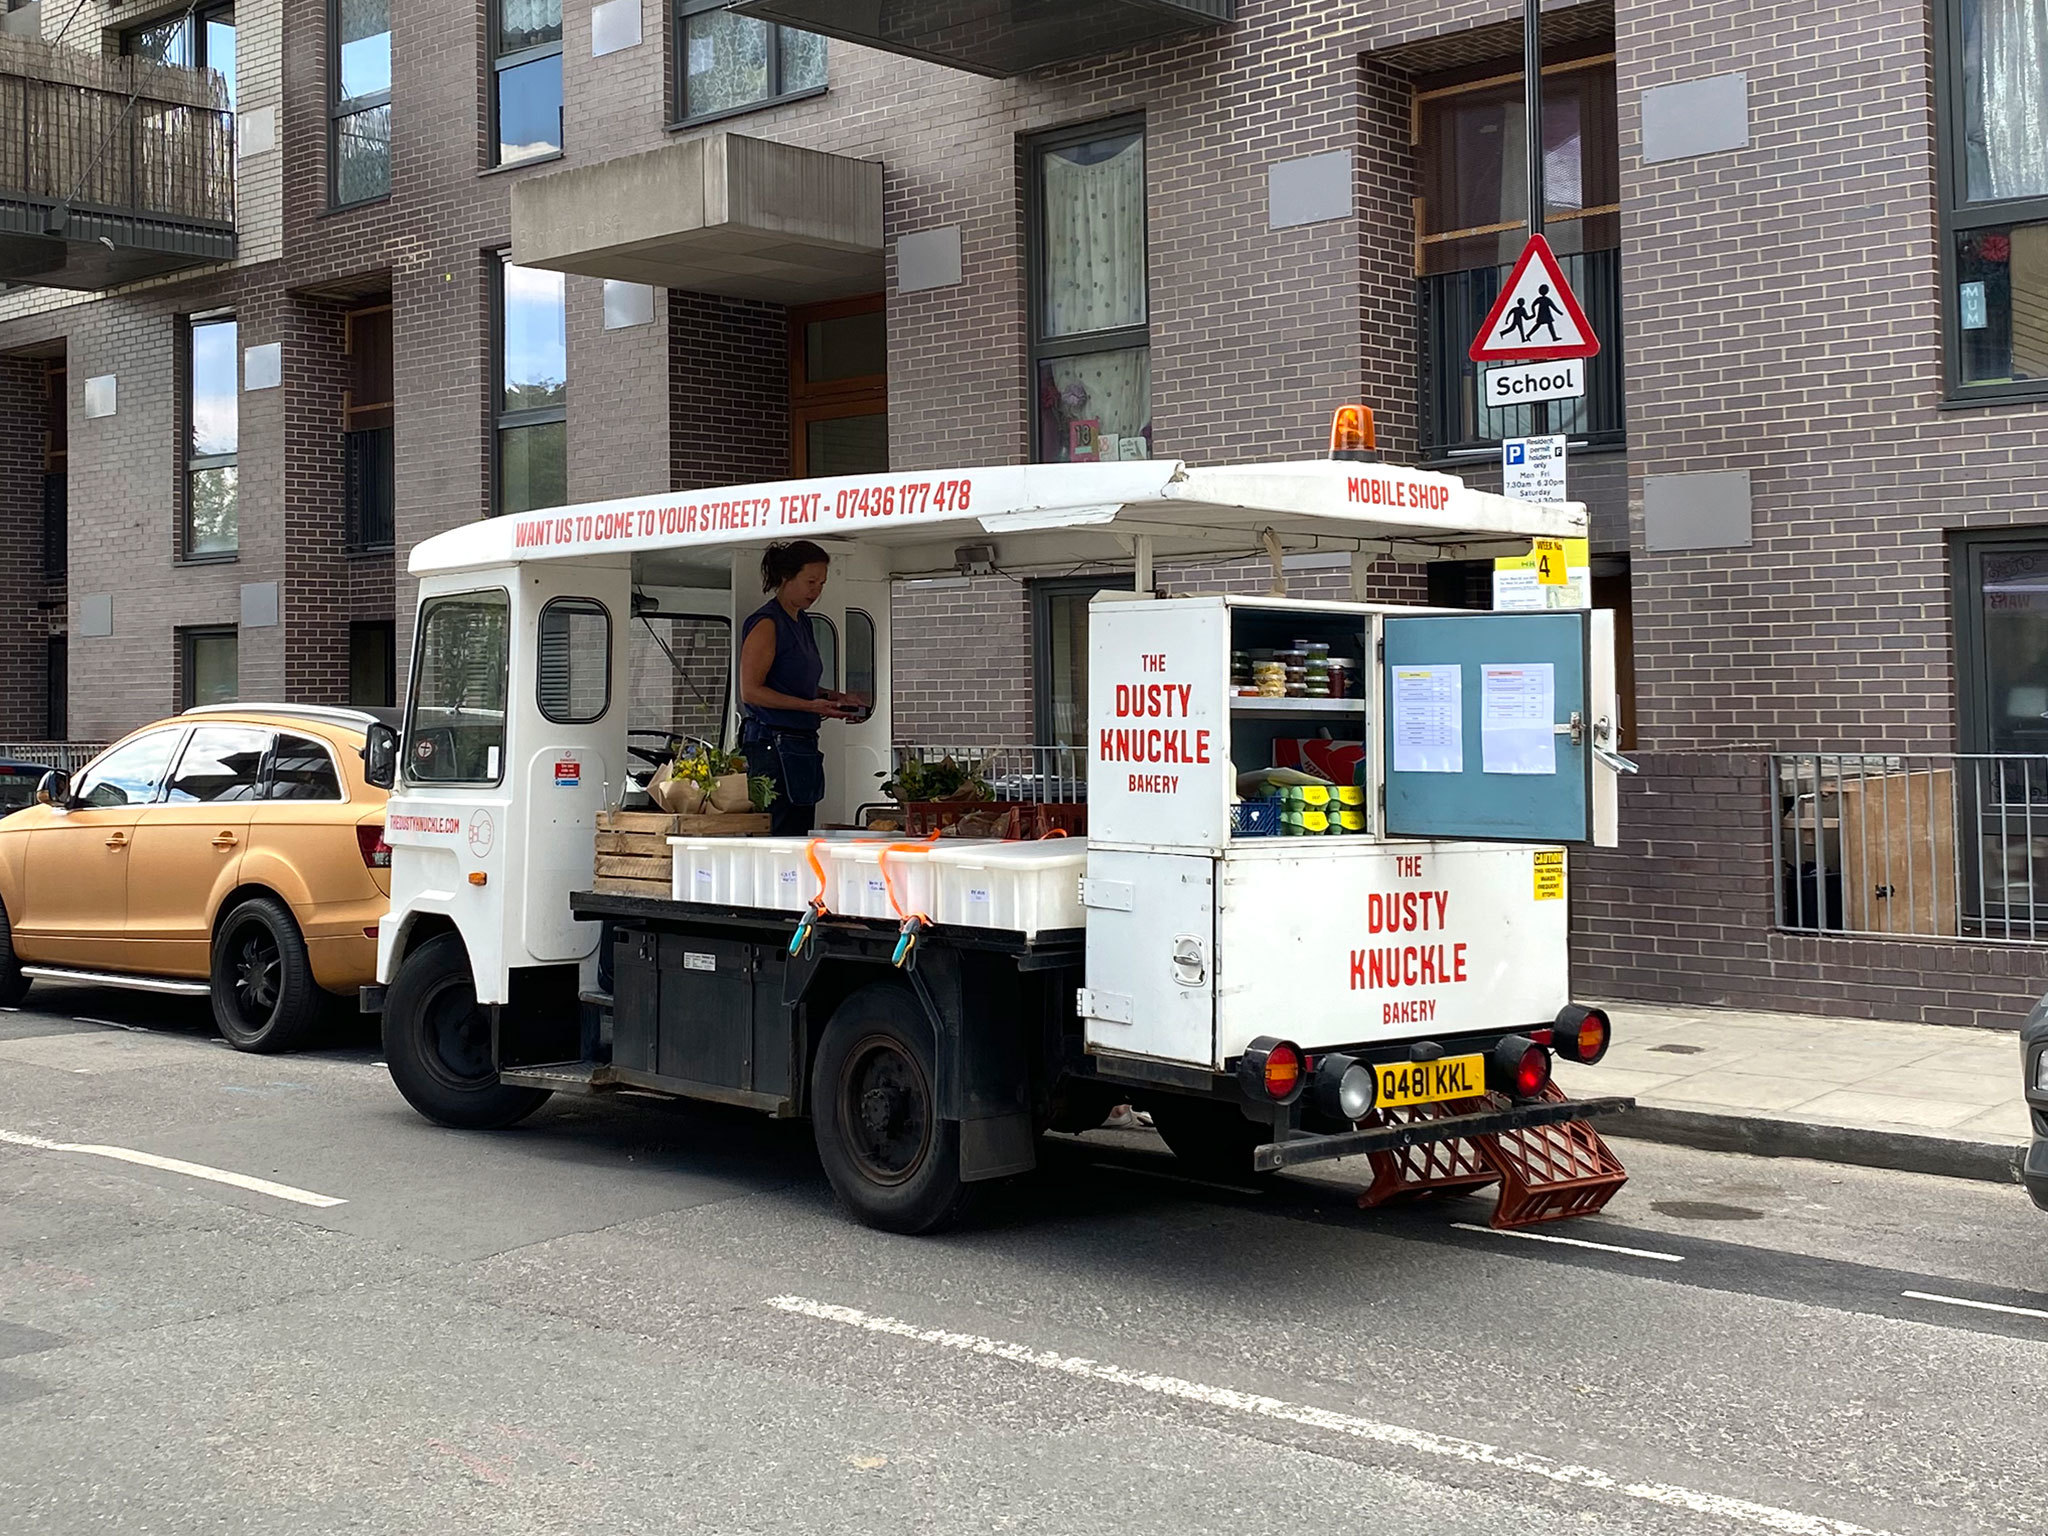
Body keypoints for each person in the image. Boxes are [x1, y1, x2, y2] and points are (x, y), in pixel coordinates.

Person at [739, 540, 865, 836]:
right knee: (779, 830)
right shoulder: (768, 623)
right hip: (771, 742)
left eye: (821, 584)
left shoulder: (803, 622)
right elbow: (751, 691)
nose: (816, 591)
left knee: (800, 829)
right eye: (810, 582)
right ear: (786, 577)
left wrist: (832, 697)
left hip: (801, 743)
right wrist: (810, 706)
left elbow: (795, 683)